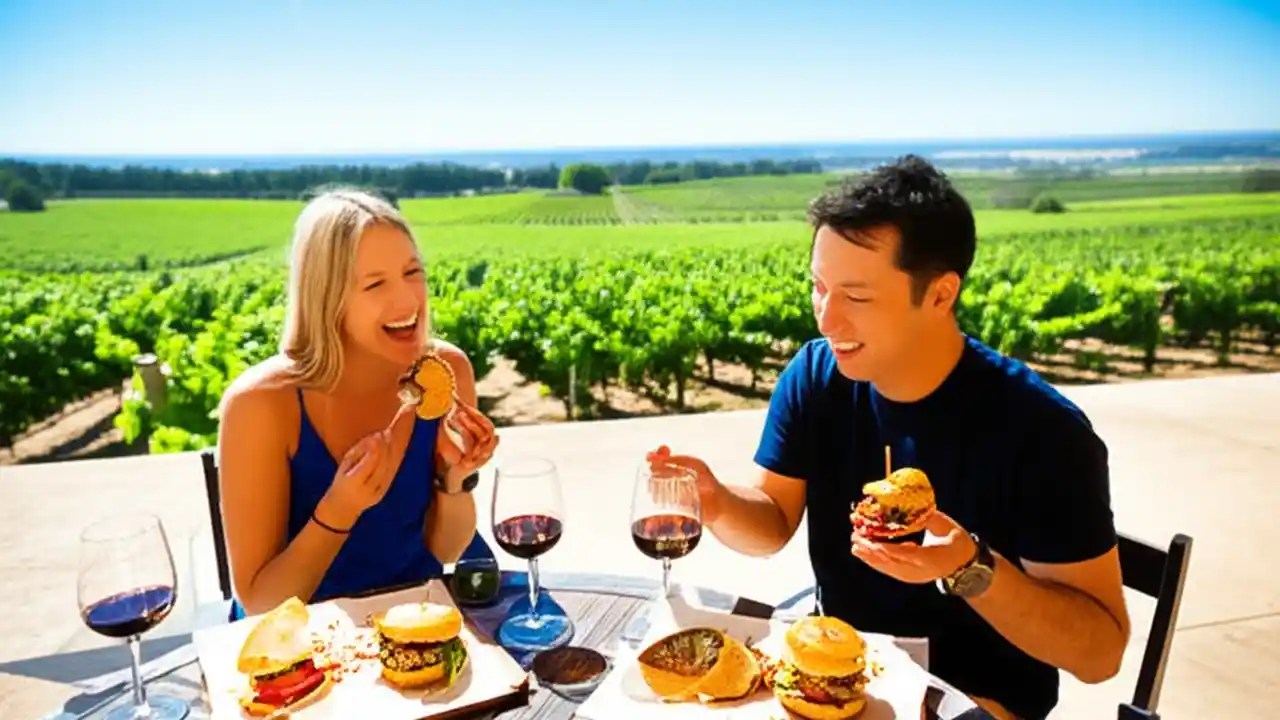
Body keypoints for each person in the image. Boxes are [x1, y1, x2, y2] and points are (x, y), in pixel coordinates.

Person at [649, 156, 1130, 720]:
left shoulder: (1043, 432)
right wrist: (718, 501)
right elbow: (773, 523)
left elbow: (1101, 654)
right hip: (838, 676)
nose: (827, 321)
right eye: (818, 288)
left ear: (940, 294)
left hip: (976, 701)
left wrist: (970, 569)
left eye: (856, 297)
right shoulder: (815, 377)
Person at [216, 189, 498, 620]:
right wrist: (339, 510)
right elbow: (260, 603)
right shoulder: (260, 405)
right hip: (298, 651)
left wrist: (455, 479)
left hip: (413, 622)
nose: (407, 301)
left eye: (412, 272)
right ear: (327, 297)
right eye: (375, 284)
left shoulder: (448, 371)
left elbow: (444, 550)